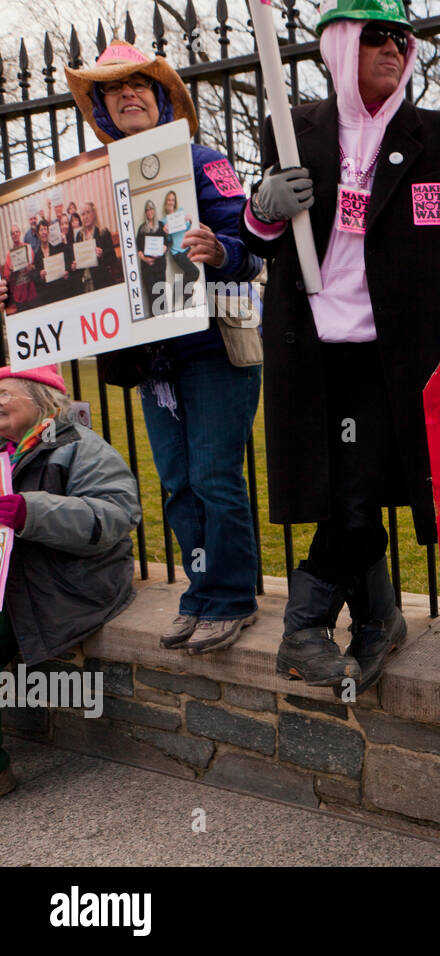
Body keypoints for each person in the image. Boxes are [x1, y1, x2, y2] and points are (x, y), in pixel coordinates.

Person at [241, 0, 440, 694]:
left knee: (356, 488)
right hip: (320, 350)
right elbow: (261, 241)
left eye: (401, 39)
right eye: (375, 37)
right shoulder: (294, 133)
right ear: (341, 45)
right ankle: (380, 618)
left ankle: (304, 629)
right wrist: (260, 210)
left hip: (402, 351)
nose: (393, 49)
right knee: (350, 491)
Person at [64, 40, 264, 654]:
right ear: (101, 109)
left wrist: (220, 250)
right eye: (114, 89)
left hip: (211, 346)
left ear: (162, 98)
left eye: (140, 86)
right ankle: (201, 592)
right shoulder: (90, 181)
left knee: (213, 476)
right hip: (151, 359)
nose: (129, 95)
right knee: (177, 481)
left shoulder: (204, 162)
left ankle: (231, 598)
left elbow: (254, 245)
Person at [0, 364, 141, 798]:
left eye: (4, 391)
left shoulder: (81, 446)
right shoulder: (4, 450)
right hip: (16, 579)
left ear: (41, 398)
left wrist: (30, 512)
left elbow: (115, 517)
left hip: (68, 581)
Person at [136, 198, 168, 314]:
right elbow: (139, 249)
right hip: (147, 268)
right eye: (147, 210)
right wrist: (145, 259)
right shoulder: (142, 228)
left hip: (160, 266)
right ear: (145, 212)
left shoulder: (161, 225)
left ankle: (165, 317)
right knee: (151, 295)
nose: (149, 212)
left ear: (154, 210)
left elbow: (167, 242)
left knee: (161, 293)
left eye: (151, 209)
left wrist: (164, 248)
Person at [32, 219, 73, 305]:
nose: (44, 232)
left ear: (48, 232)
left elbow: (67, 263)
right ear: (38, 234)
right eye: (41, 230)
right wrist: (40, 274)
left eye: (45, 229)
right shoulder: (36, 255)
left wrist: (67, 272)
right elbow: (35, 275)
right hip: (47, 294)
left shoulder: (57, 248)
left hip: (60, 290)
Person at [78, 201, 118, 290]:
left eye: (88, 212)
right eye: (83, 214)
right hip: (86, 282)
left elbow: (113, 258)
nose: (86, 216)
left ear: (94, 213)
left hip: (102, 280)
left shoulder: (103, 232)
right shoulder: (79, 235)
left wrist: (102, 253)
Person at [3, 227, 37, 313]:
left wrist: (31, 267)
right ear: (11, 236)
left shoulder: (28, 247)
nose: (15, 234)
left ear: (20, 233)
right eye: (13, 233)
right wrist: (11, 270)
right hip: (19, 293)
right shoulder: (9, 255)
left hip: (30, 290)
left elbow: (35, 266)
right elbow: (7, 277)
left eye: (17, 232)